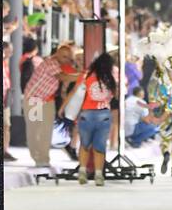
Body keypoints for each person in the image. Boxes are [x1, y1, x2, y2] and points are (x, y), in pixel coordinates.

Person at [24, 44, 76, 170]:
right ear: (57, 54)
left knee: (46, 131)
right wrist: (82, 76)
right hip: (34, 100)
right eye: (64, 56)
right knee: (35, 129)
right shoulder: (51, 63)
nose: (66, 59)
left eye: (68, 57)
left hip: (47, 99)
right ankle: (38, 157)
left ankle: (43, 158)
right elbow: (63, 77)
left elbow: (70, 74)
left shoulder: (62, 64)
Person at [71, 52, 118, 185]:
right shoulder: (110, 79)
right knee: (100, 146)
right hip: (103, 115)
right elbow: (113, 96)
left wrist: (65, 108)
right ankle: (98, 175)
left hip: (86, 114)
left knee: (85, 145)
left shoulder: (86, 76)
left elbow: (77, 94)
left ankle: (82, 171)